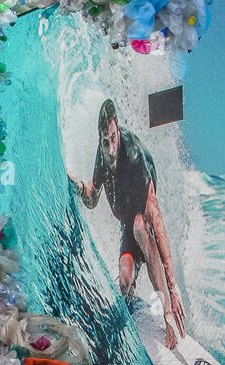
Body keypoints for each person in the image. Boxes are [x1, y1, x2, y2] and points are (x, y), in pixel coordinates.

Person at [69, 99, 186, 350]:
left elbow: (156, 218)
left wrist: (173, 287)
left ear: (118, 130)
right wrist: (80, 187)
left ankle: (167, 318)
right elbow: (93, 199)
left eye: (112, 139)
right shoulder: (102, 155)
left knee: (140, 226)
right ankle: (130, 292)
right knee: (122, 282)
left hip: (145, 227)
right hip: (129, 230)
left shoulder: (132, 155)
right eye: (104, 141)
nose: (110, 149)